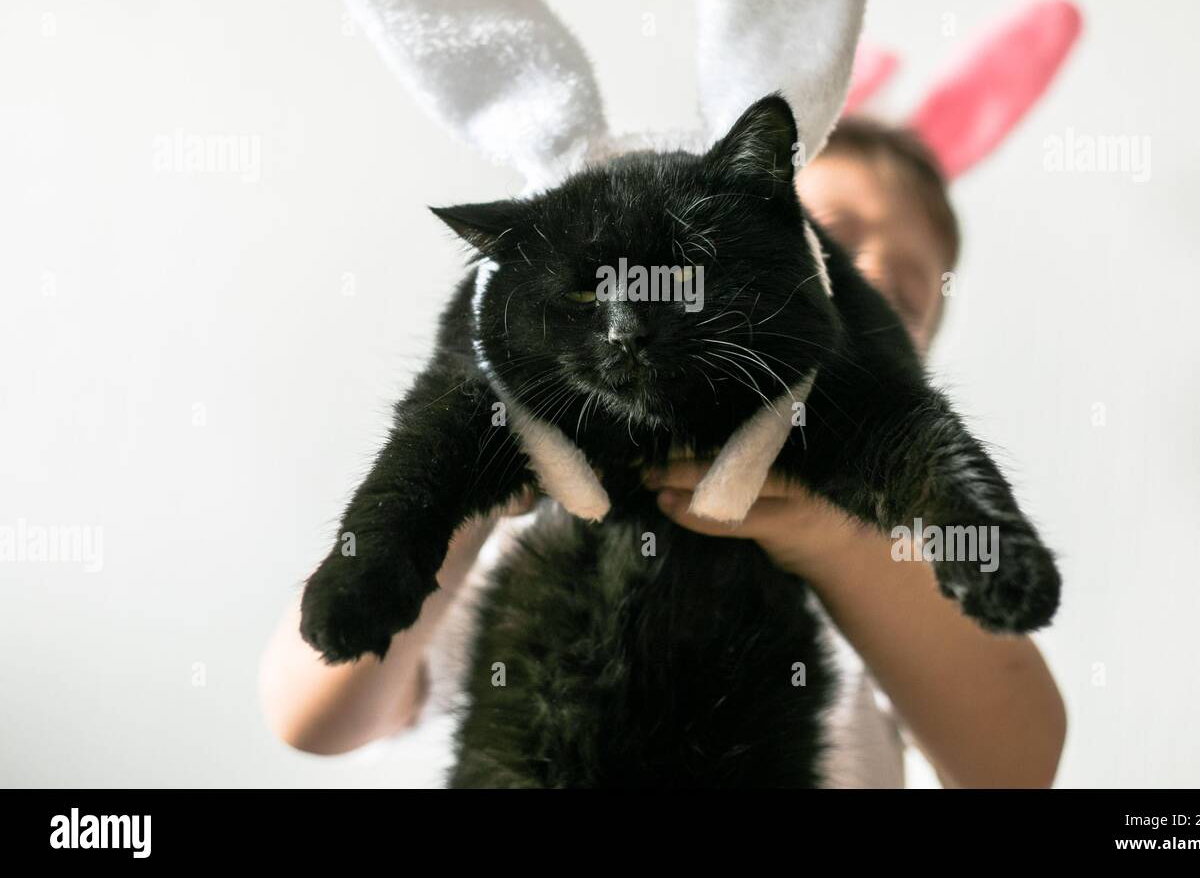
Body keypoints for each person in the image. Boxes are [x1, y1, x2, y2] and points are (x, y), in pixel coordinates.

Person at [259, 115, 1068, 788]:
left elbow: (1018, 765)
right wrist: (469, 499)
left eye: (906, 294)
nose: (866, 281)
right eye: (837, 241)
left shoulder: (902, 565)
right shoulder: (534, 532)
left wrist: (835, 542)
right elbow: (311, 715)